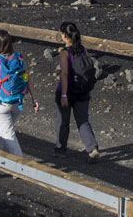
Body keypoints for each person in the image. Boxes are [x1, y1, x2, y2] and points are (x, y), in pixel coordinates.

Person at [0, 30, 37, 157]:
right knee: (5, 130)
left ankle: (20, 166)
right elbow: (28, 79)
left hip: (1, 104)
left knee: (8, 134)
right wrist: (34, 99)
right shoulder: (19, 58)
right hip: (17, 103)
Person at [54, 21, 99, 163]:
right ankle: (92, 149)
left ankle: (61, 148)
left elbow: (65, 74)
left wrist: (64, 95)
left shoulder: (64, 53)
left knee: (63, 121)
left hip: (68, 91)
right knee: (83, 121)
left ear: (64, 36)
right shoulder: (83, 49)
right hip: (83, 91)